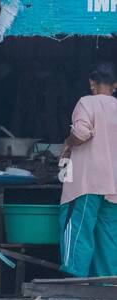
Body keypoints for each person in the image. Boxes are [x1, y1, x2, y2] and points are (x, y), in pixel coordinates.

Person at [59, 62, 117, 277]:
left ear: (92, 83)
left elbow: (82, 133)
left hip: (86, 183)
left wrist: (67, 144)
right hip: (113, 188)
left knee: (78, 231)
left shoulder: (87, 102)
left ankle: (74, 284)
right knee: (108, 238)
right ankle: (108, 286)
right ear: (115, 85)